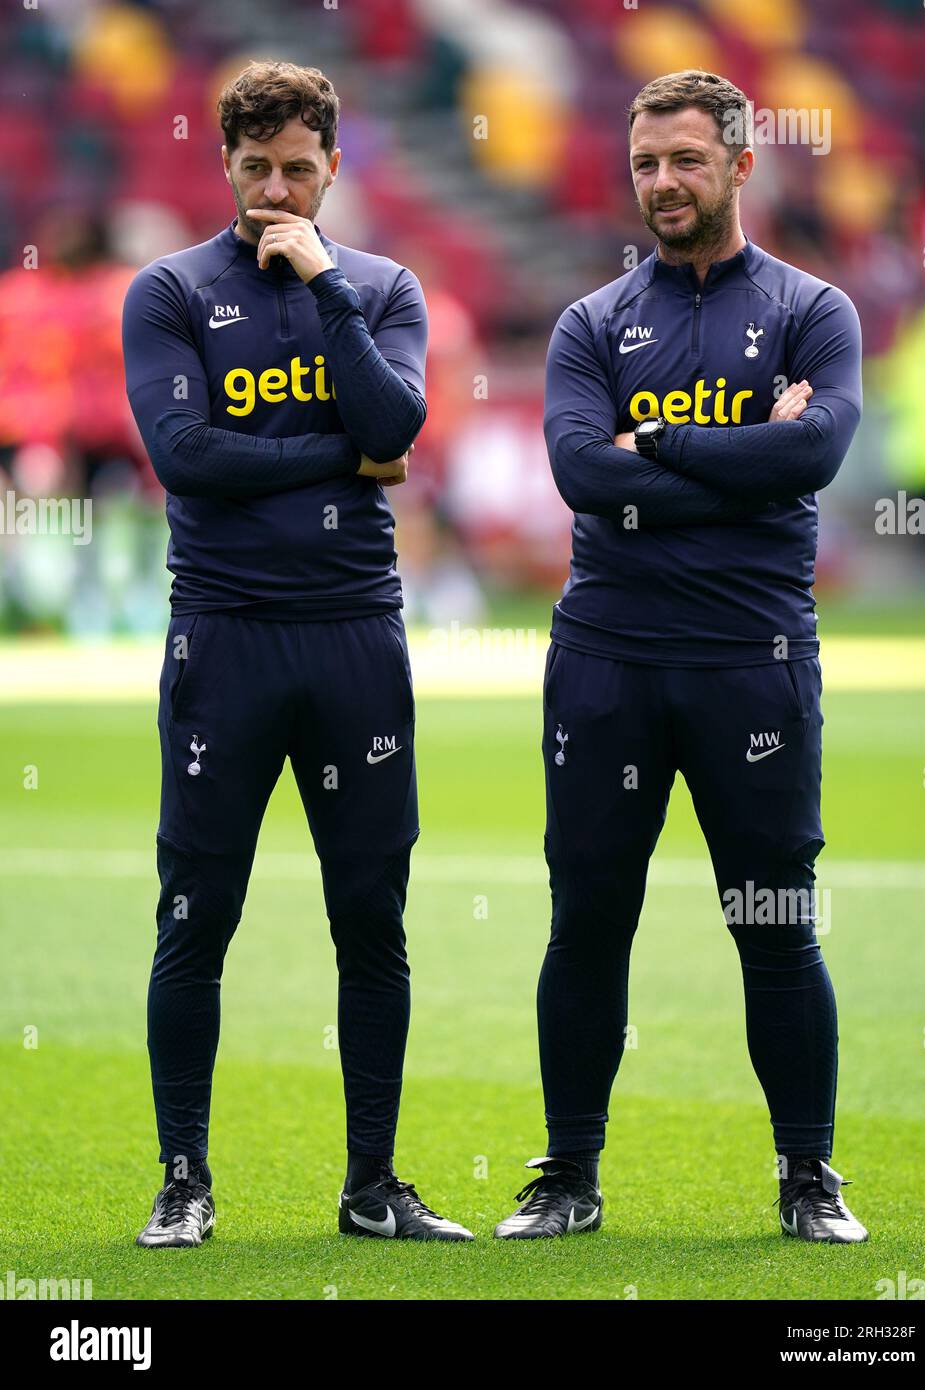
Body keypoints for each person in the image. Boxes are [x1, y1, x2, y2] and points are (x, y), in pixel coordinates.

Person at [494, 70, 867, 1243]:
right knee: (587, 921)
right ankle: (566, 1176)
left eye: (685, 161)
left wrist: (652, 440)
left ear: (739, 166)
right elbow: (579, 474)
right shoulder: (591, 322)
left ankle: (807, 1177)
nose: (661, 182)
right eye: (646, 162)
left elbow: (806, 458)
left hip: (750, 661)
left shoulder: (814, 310)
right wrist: (732, 445)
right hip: (606, 662)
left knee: (773, 924)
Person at [122, 59, 472, 1245]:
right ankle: (183, 1179)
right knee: (195, 914)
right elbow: (184, 454)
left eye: (299, 169)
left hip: (353, 638)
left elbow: (396, 426)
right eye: (256, 167)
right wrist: (340, 455)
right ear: (224, 163)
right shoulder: (169, 289)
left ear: (332, 168)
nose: (276, 189)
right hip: (223, 638)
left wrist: (323, 291)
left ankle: (371, 1184)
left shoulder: (379, 286)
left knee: (370, 915)